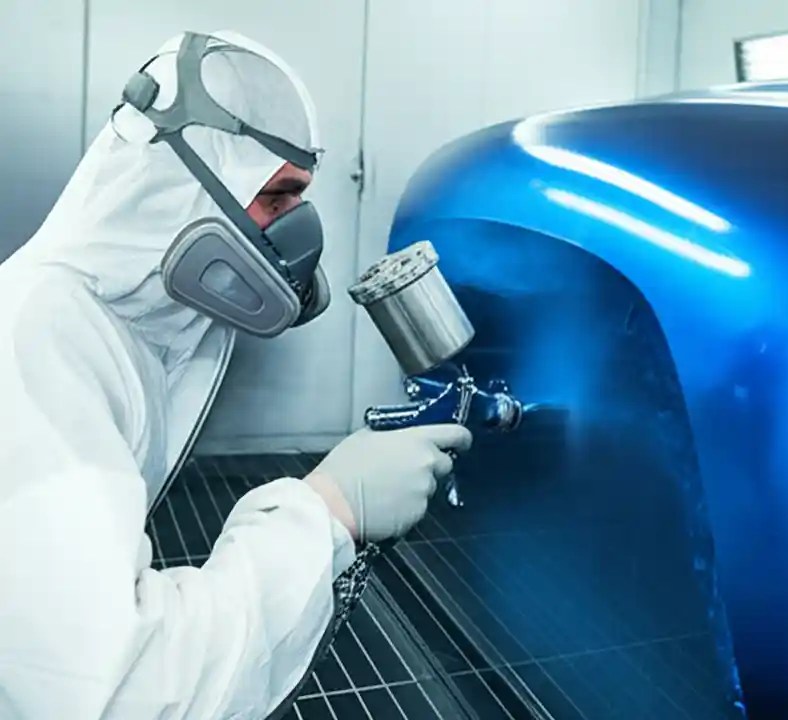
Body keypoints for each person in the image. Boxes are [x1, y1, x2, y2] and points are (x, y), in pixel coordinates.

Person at [0, 30, 471, 718]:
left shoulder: (123, 316)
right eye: (276, 198)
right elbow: (120, 693)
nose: (292, 236)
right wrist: (327, 511)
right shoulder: (37, 348)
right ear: (185, 190)